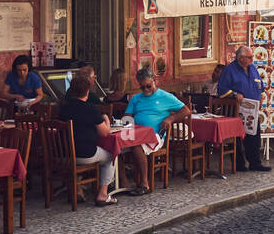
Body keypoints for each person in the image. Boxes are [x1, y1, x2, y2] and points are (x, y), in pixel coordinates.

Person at [123, 67, 191, 193]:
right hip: (136, 133)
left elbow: (186, 110)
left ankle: (144, 183)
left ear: (155, 81)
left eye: (148, 86)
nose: (146, 90)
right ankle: (123, 182)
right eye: (142, 87)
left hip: (155, 136)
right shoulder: (136, 98)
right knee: (117, 146)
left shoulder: (165, 96)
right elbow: (127, 117)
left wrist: (171, 118)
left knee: (137, 146)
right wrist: (125, 123)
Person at [57, 73, 115, 205]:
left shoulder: (64, 108)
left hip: (64, 154)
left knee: (77, 159)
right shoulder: (90, 108)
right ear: (87, 91)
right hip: (85, 154)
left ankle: (78, 190)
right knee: (112, 155)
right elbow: (105, 133)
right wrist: (106, 118)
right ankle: (103, 194)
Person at [216, 46, 271, 172]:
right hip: (236, 110)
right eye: (249, 57)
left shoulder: (252, 68)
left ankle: (255, 163)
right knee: (237, 138)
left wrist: (261, 95)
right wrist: (234, 94)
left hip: (252, 109)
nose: (252, 59)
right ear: (241, 58)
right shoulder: (229, 70)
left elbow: (259, 85)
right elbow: (222, 90)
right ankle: (239, 164)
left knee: (254, 135)